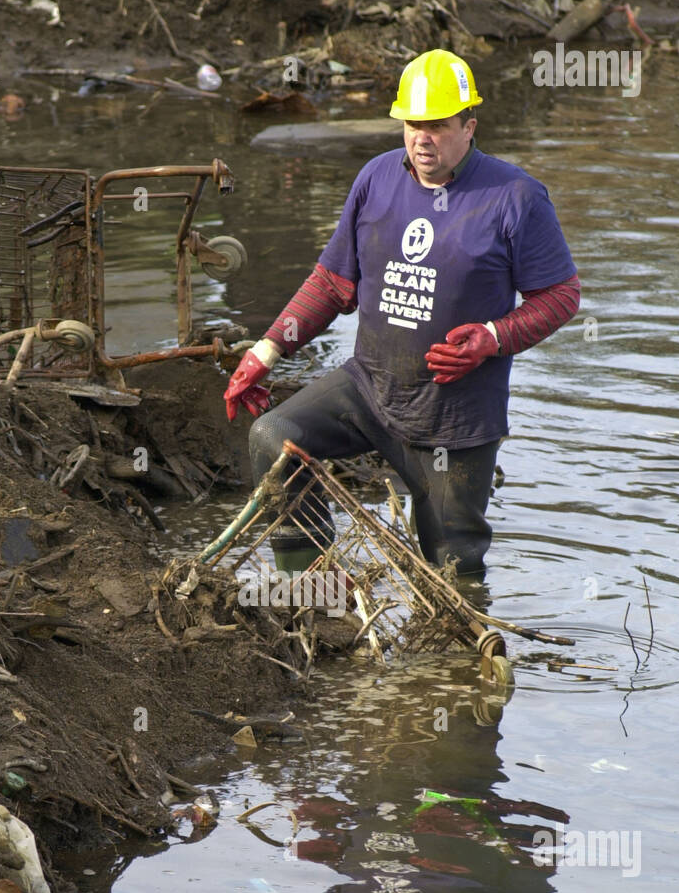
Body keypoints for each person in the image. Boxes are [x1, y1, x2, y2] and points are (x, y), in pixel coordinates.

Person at [223, 49, 580, 575]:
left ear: (469, 126)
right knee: (274, 438)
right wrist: (267, 350)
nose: (422, 137)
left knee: (453, 570)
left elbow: (561, 295)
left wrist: (492, 336)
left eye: (437, 125)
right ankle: (310, 594)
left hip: (455, 418)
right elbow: (333, 281)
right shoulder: (376, 179)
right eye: (413, 123)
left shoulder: (515, 197)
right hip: (369, 389)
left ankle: (459, 656)